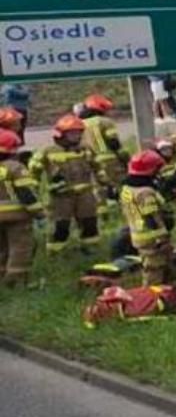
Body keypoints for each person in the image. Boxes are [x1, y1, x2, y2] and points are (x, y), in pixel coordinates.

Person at [30, 114, 102, 254]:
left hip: (85, 195)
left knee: (89, 223)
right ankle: (55, 253)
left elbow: (97, 167)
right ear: (62, 133)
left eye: (79, 133)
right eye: (72, 133)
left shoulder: (85, 149)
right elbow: (34, 171)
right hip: (60, 197)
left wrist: (106, 184)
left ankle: (90, 250)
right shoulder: (48, 151)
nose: (76, 136)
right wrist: (33, 190)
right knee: (60, 226)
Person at [118, 149, 176, 288]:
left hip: (138, 233)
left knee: (163, 264)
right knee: (154, 268)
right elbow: (151, 218)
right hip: (152, 238)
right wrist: (162, 238)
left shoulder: (127, 188)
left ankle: (167, 292)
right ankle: (151, 297)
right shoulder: (145, 192)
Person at [0, 129, 42, 287]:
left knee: (1, 248)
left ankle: (2, 276)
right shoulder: (15, 168)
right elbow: (26, 194)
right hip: (16, 216)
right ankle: (15, 281)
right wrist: (39, 214)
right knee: (21, 248)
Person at [77, 93, 127, 194]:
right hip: (109, 161)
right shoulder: (105, 122)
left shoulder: (79, 124)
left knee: (98, 189)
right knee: (121, 186)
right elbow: (113, 143)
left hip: (88, 161)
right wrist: (125, 158)